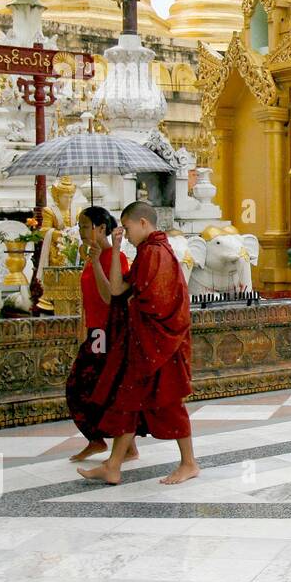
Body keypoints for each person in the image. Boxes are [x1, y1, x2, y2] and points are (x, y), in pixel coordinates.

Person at [80, 202, 197, 486]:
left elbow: (158, 300)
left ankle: (189, 463)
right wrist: (117, 248)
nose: (125, 233)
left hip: (162, 343)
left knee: (169, 403)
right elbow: (118, 290)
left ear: (143, 223)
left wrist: (135, 304)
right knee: (129, 401)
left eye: (127, 228)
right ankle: (113, 465)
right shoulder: (145, 252)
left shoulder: (158, 253)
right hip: (145, 343)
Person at [67, 206, 137, 463]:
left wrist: (97, 262)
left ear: (100, 228)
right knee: (83, 387)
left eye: (86, 226)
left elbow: (110, 296)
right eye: (81, 226)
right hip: (95, 332)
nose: (81, 231)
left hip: (110, 334)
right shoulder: (90, 257)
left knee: (95, 388)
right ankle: (97, 440)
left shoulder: (116, 258)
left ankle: (119, 444)